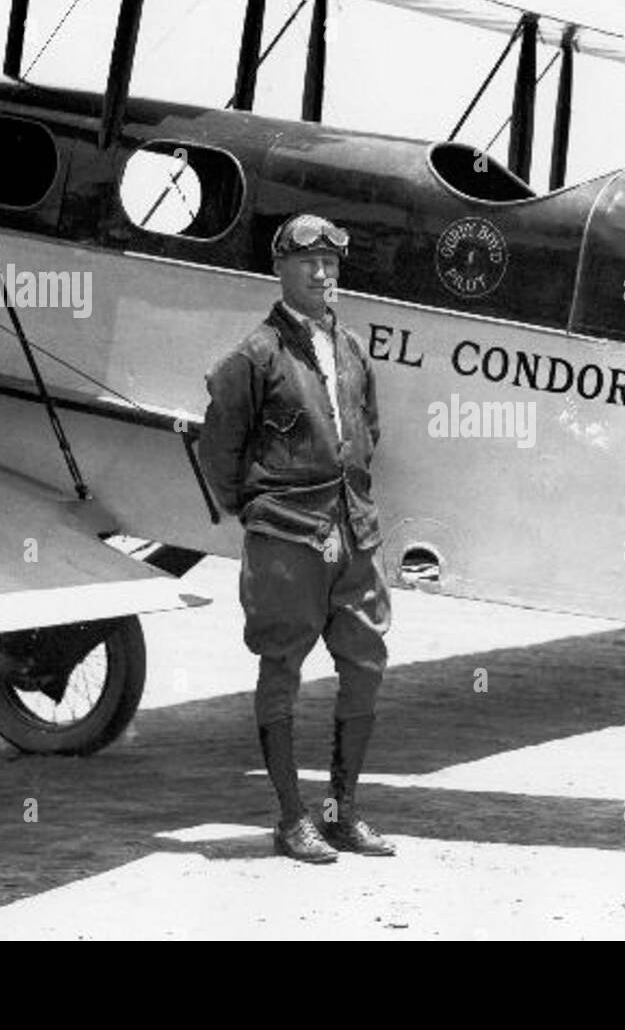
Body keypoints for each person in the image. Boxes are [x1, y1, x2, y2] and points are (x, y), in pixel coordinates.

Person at [198, 213, 395, 864]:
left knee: (365, 666)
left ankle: (343, 812)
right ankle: (290, 818)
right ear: (280, 270)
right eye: (308, 263)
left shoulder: (353, 349)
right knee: (282, 667)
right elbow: (218, 445)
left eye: (332, 265)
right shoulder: (256, 354)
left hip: (351, 530)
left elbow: (365, 430)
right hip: (287, 534)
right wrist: (256, 509)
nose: (323, 274)